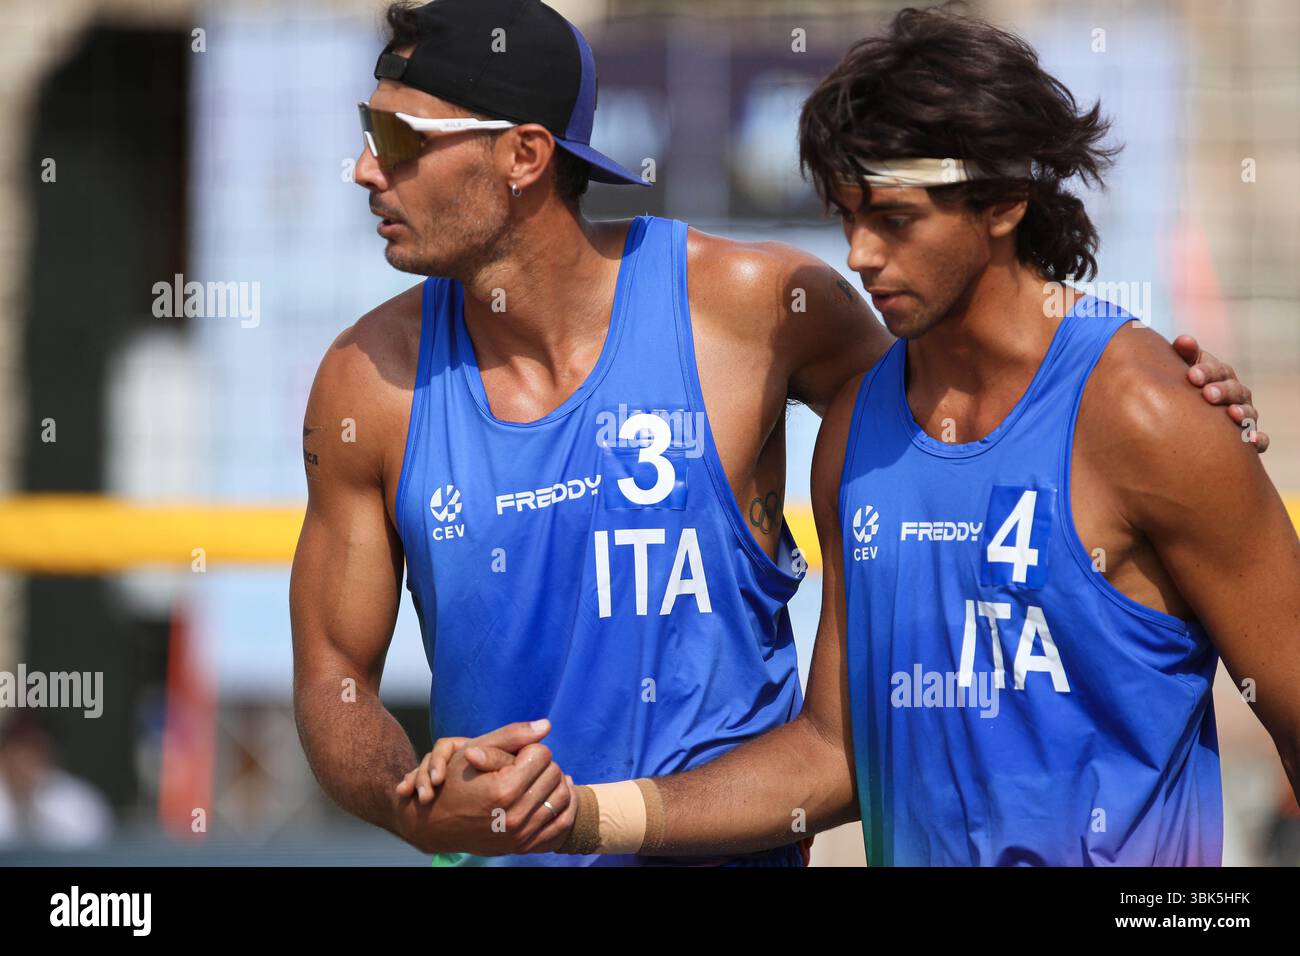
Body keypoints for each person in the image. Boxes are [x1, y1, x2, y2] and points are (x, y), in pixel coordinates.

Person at [291, 0, 1267, 866]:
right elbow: (335, 673)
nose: (365, 166)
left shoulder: (763, 308)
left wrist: (1164, 395)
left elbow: (995, 379)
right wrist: (413, 803)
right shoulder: (366, 381)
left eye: (398, 133)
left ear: (525, 154)